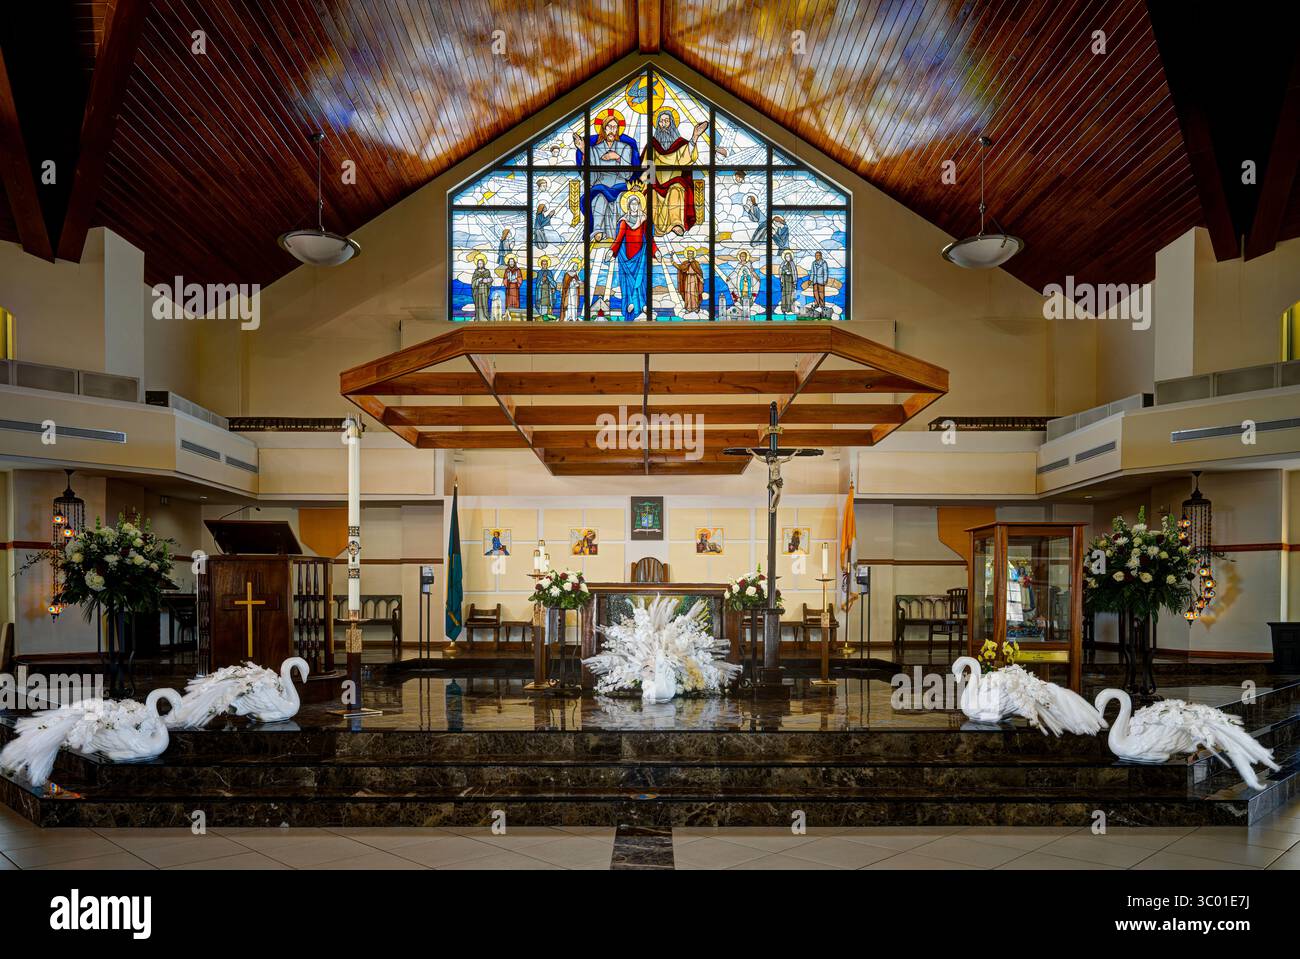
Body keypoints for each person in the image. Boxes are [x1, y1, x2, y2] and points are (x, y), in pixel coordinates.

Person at [573, 113, 641, 242]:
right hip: (601, 183)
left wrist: (618, 157)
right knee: (599, 198)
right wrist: (583, 150)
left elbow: (627, 174)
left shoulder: (625, 148)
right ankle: (597, 231)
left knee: (623, 200)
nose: (612, 130)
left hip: (620, 185)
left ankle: (622, 234)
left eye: (615, 127)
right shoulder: (595, 149)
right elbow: (591, 175)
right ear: (603, 129)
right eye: (609, 127)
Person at [648, 108, 708, 235]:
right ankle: (650, 224)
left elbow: (687, 157)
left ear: (672, 124)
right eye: (661, 121)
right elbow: (646, 164)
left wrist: (695, 136)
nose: (664, 124)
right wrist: (652, 182)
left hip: (674, 182)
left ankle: (676, 223)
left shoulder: (680, 144)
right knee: (651, 191)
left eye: (666, 121)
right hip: (656, 182)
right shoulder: (652, 145)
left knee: (676, 188)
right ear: (657, 124)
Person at [609, 193, 655, 321]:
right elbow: (619, 238)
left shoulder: (644, 219)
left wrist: (656, 251)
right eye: (632, 204)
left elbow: (650, 238)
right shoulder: (624, 220)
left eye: (636, 204)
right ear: (628, 206)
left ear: (639, 205)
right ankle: (631, 303)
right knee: (628, 283)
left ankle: (642, 305)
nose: (634, 206)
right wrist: (612, 251)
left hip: (641, 256)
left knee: (641, 282)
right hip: (626, 258)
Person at [730, 250, 759, 320]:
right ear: (739, 257)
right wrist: (729, 277)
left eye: (743, 256)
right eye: (741, 256)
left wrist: (757, 277)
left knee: (748, 292)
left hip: (748, 283)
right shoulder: (739, 265)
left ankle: (748, 303)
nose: (742, 257)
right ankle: (742, 302)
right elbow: (735, 272)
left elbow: (752, 271)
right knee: (742, 292)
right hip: (741, 283)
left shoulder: (749, 264)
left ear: (746, 257)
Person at [676, 248, 704, 314]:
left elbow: (698, 272)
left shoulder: (696, 263)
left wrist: (700, 278)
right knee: (688, 293)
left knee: (694, 293)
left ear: (693, 255)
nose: (689, 255)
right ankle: (688, 308)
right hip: (687, 278)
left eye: (691, 254)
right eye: (688, 254)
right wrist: (673, 262)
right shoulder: (685, 263)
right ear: (687, 255)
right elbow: (681, 268)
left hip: (694, 279)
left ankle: (695, 307)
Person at [471, 256, 492, 322]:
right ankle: (478, 318)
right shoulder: (476, 272)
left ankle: (485, 317)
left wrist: (488, 280)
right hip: (477, 291)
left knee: (484, 303)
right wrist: (477, 280)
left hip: (484, 290)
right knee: (478, 304)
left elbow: (490, 280)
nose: (480, 265)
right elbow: (473, 282)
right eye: (479, 263)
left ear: (483, 264)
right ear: (477, 264)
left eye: (481, 263)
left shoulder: (487, 271)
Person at [779, 251, 798, 315]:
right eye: (786, 257)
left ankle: (789, 308)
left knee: (789, 295)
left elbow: (794, 273)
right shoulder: (783, 264)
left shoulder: (792, 264)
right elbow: (781, 271)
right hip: (784, 282)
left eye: (788, 257)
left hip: (790, 282)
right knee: (784, 295)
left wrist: (794, 281)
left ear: (791, 257)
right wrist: (784, 272)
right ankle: (784, 308)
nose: (787, 258)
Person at [811, 250, 828, 315]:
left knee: (821, 293)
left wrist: (825, 280)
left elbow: (826, 272)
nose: (817, 257)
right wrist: (811, 279)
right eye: (816, 255)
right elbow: (812, 272)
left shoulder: (824, 263)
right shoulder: (813, 263)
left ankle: (822, 305)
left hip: (821, 281)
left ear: (821, 256)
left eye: (818, 255)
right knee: (815, 293)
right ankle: (816, 304)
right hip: (815, 280)